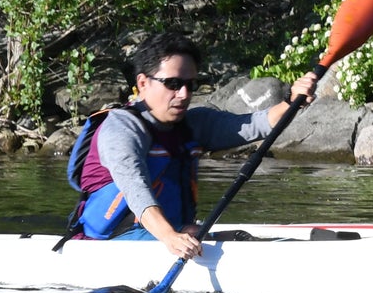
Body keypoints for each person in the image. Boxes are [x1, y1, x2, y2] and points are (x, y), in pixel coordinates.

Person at [65, 34, 319, 258]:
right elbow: (135, 188)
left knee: (235, 235)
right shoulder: (121, 127)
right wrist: (169, 236)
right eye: (173, 84)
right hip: (107, 245)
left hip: (172, 237)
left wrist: (292, 102)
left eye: (190, 85)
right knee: (203, 236)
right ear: (143, 83)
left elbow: (255, 124)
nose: (184, 94)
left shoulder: (194, 124)